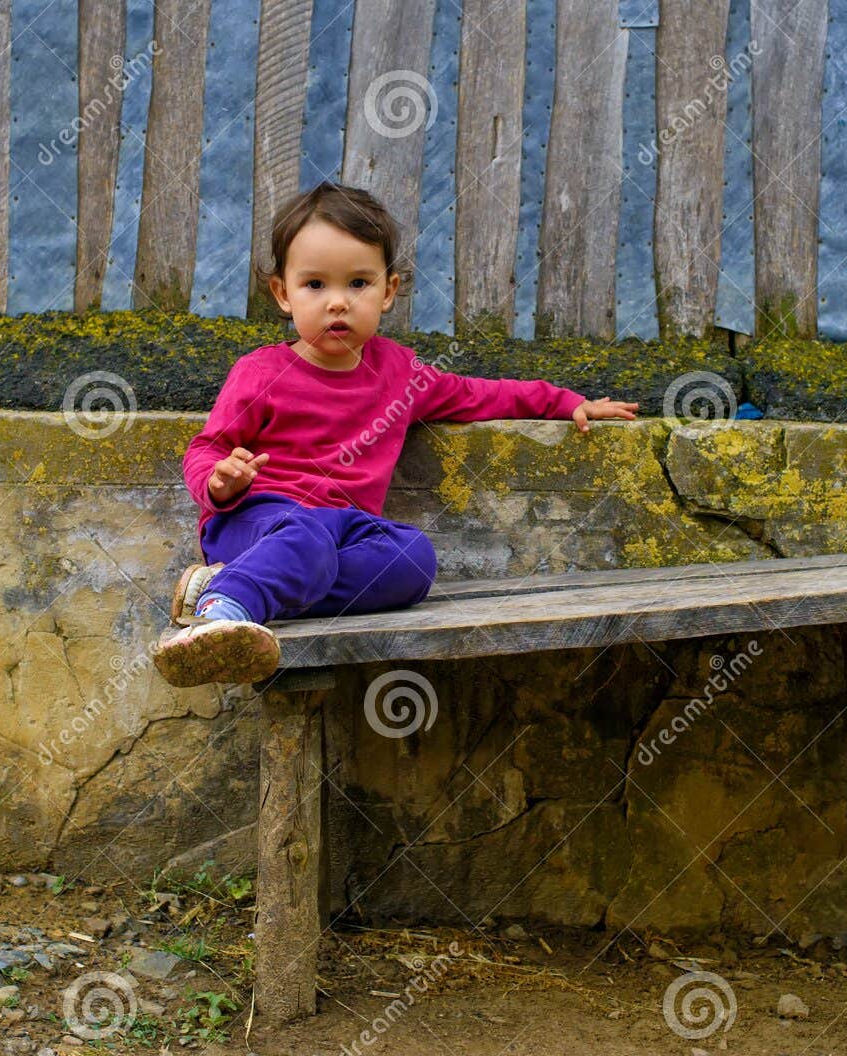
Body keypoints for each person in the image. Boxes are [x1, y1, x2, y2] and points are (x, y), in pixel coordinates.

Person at [151, 181, 639, 687]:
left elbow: (480, 394)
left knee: (412, 560)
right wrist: (218, 482)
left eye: (358, 283)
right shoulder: (261, 373)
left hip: (344, 527)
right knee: (307, 538)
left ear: (388, 291)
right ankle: (217, 615)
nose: (337, 302)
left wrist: (564, 402)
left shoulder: (401, 374)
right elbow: (206, 448)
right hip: (259, 519)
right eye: (315, 285)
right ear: (283, 294)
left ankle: (241, 588)